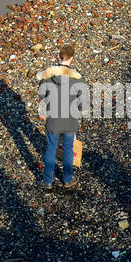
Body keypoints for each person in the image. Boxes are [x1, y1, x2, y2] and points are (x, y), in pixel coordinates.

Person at [36, 43, 84, 191]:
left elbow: (42, 95)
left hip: (54, 119)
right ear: (72, 59)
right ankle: (68, 179)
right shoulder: (77, 79)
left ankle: (47, 181)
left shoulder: (48, 76)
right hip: (70, 119)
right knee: (68, 149)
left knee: (51, 148)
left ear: (58, 57)